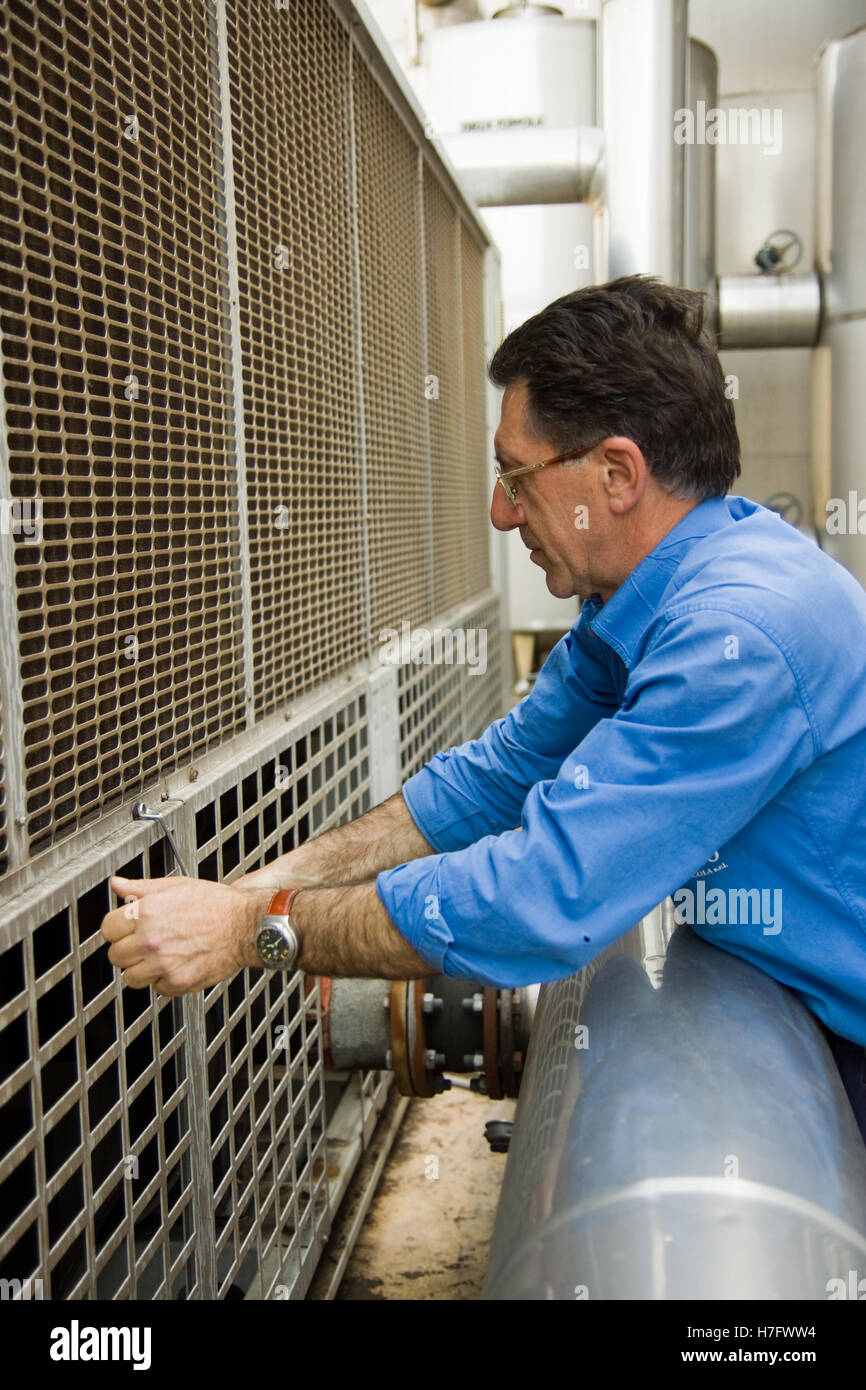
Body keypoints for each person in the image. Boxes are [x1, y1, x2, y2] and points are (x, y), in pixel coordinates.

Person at [101, 275, 866, 1135]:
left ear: (616, 474)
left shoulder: (737, 635)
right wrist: (262, 885)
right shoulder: (643, 598)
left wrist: (253, 931)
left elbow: (544, 896)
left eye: (516, 475)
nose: (502, 514)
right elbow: (495, 780)